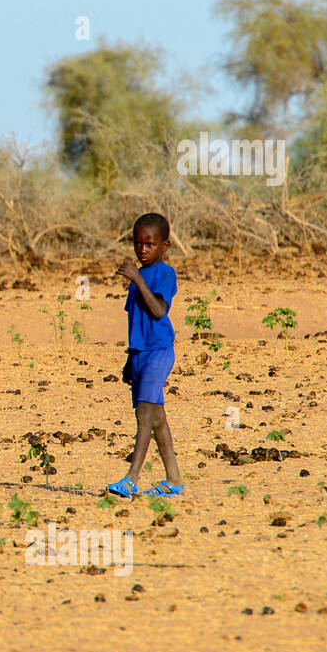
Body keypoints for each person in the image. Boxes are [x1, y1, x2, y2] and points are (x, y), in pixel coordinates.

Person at [104, 213, 185, 499]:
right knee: (158, 419)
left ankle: (131, 478)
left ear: (164, 245)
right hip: (139, 354)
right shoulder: (135, 281)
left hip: (159, 351)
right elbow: (135, 321)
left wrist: (138, 278)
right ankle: (174, 480)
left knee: (144, 415)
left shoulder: (165, 273)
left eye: (149, 244)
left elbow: (158, 310)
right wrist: (129, 358)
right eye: (137, 244)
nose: (142, 250)